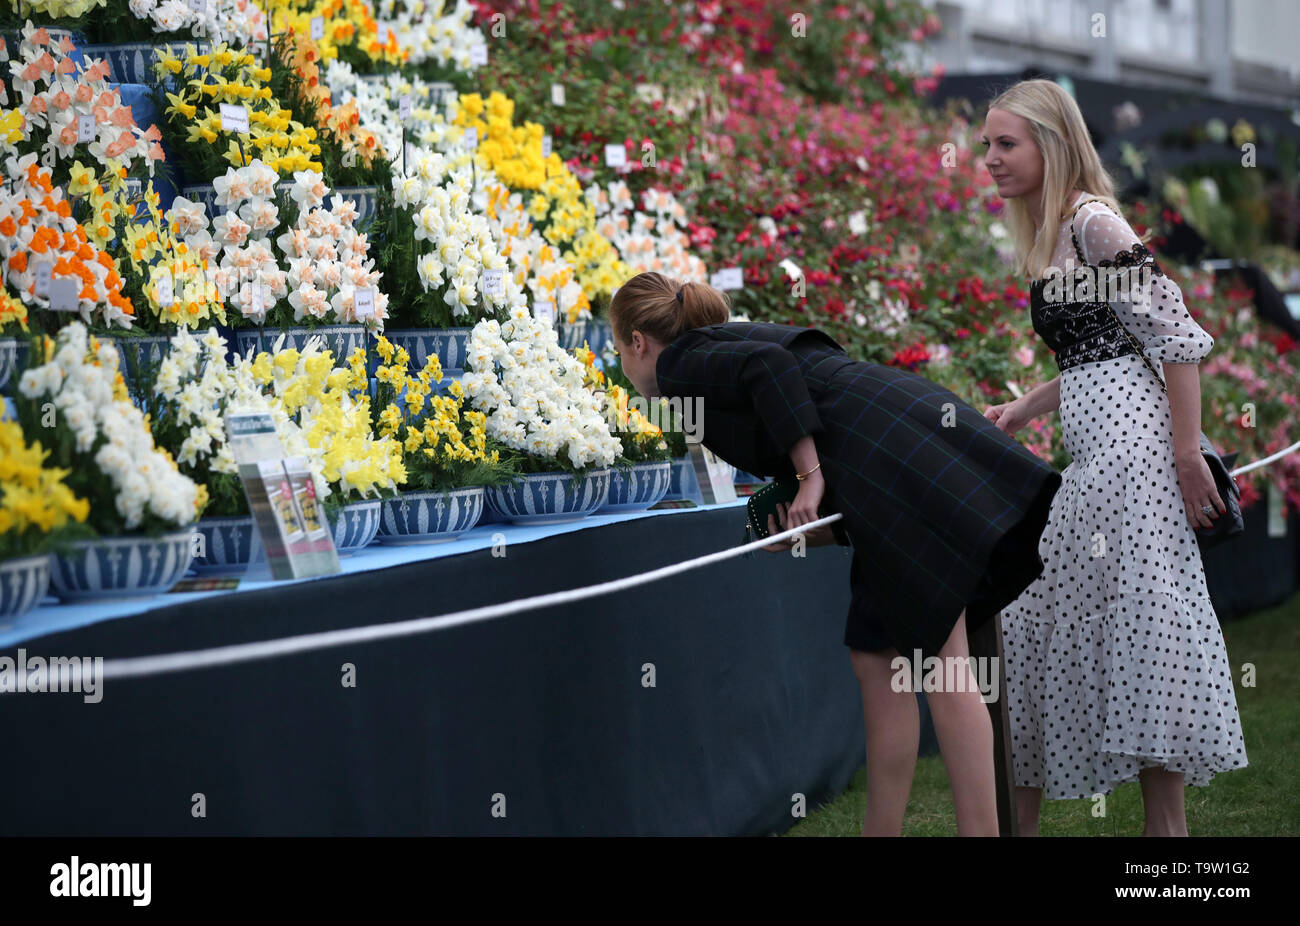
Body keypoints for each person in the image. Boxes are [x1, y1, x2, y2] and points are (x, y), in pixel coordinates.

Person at [608, 271, 1063, 836]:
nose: (625, 370)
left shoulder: (678, 365)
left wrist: (809, 480)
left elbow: (770, 371)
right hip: (893, 439)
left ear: (637, 342)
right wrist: (820, 505)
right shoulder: (715, 344)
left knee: (943, 661)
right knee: (878, 658)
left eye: (618, 351)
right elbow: (807, 369)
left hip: (884, 458)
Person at [979, 79, 1248, 837]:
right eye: (987, 146)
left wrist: (1188, 454)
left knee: (1128, 629)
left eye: (1007, 144)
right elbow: (1098, 353)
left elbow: (1176, 337)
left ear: (1052, 145)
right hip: (1097, 453)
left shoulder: (1094, 223)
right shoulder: (1056, 231)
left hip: (1133, 459)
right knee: (1062, 624)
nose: (990, 160)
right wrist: (1024, 408)